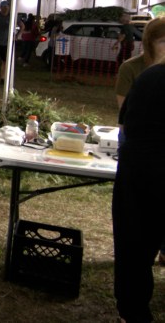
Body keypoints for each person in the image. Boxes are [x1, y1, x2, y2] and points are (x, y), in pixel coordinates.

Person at [112, 51, 165, 322]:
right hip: (146, 172)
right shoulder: (148, 76)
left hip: (139, 174)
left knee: (135, 250)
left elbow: (126, 126)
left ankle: (132, 312)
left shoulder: (150, 77)